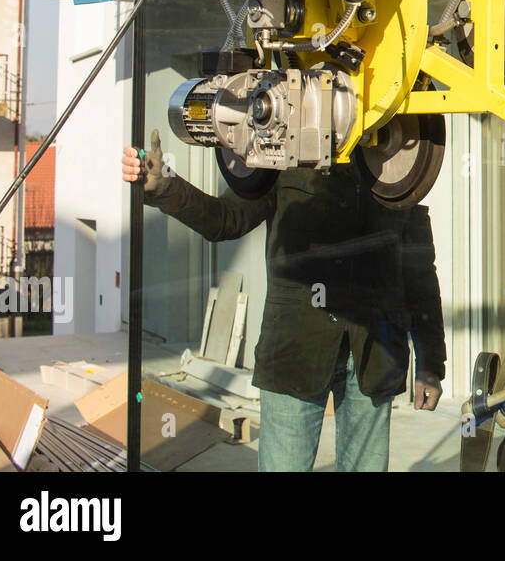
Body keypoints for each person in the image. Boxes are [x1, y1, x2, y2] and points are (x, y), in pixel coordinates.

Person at [122, 130, 447, 471]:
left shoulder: (395, 158)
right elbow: (224, 220)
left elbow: (420, 273)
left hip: (374, 355)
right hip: (295, 350)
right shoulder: (284, 147)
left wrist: (430, 363)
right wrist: (164, 186)